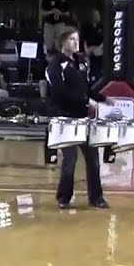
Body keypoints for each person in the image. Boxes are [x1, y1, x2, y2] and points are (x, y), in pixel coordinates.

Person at [46, 28, 109, 210]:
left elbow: (86, 88)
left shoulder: (81, 62)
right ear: (63, 42)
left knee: (93, 158)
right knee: (70, 159)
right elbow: (60, 91)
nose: (75, 42)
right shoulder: (55, 64)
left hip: (83, 118)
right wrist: (85, 100)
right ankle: (64, 197)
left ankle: (96, 197)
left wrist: (103, 98)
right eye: (72, 39)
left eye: (77, 39)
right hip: (64, 118)